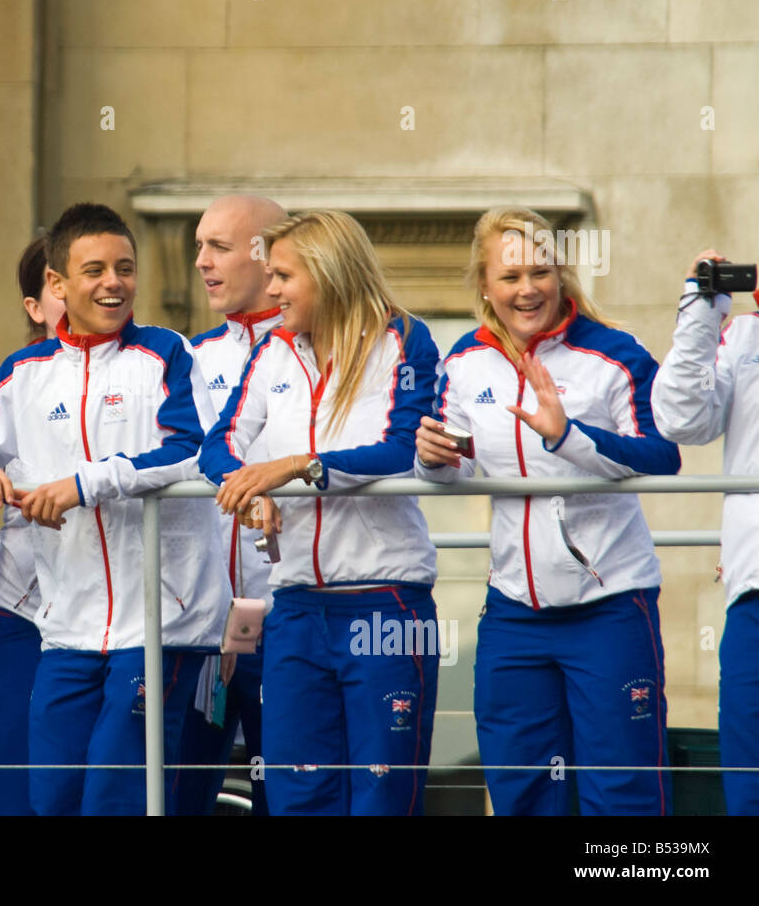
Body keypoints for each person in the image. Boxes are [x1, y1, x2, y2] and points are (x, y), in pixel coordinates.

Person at [0, 202, 226, 815]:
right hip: (66, 629)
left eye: (125, 267)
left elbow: (192, 451)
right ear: (57, 285)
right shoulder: (21, 375)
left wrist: (83, 484)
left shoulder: (168, 353)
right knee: (52, 797)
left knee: (116, 797)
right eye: (94, 270)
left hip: (159, 625)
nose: (113, 283)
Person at [415, 206, 679, 816]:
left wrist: (568, 435)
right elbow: (457, 462)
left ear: (561, 275)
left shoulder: (614, 352)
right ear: (484, 285)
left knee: (622, 792)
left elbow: (663, 455)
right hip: (514, 611)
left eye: (540, 271)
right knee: (522, 788)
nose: (527, 288)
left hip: (609, 605)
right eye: (509, 277)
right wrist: (435, 458)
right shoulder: (463, 361)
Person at [200, 210, 441, 816]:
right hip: (297, 604)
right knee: (296, 797)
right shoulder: (274, 350)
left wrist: (293, 467)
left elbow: (398, 445)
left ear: (328, 273)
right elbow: (217, 444)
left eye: (283, 275)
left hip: (384, 600)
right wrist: (251, 488)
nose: (271, 289)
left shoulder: (403, 337)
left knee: (381, 797)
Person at [179, 194, 286, 816]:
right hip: (203, 628)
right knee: (183, 799)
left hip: (294, 620)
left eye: (217, 246)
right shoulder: (187, 361)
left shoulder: (319, 353)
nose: (200, 261)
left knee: (291, 799)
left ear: (266, 254)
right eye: (197, 246)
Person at [651, 248, 759, 814]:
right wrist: (700, 310)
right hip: (754, 594)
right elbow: (680, 420)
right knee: (749, 781)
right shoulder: (743, 337)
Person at [0, 236, 61, 815]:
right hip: (22, 613)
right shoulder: (13, 380)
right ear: (35, 304)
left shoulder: (156, 365)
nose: (88, 288)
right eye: (63, 280)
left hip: (118, 622)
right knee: (13, 796)